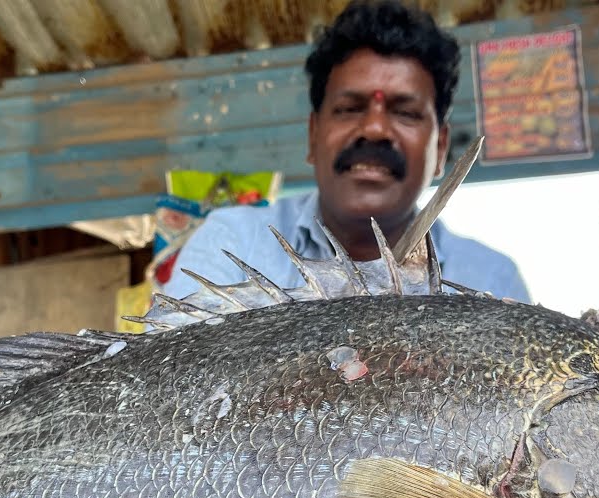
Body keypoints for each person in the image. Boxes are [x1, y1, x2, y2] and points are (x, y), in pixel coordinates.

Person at [161, 0, 530, 303]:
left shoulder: (492, 281)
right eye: (350, 108)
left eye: (405, 112)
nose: (375, 129)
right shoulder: (233, 244)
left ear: (441, 146)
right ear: (313, 135)